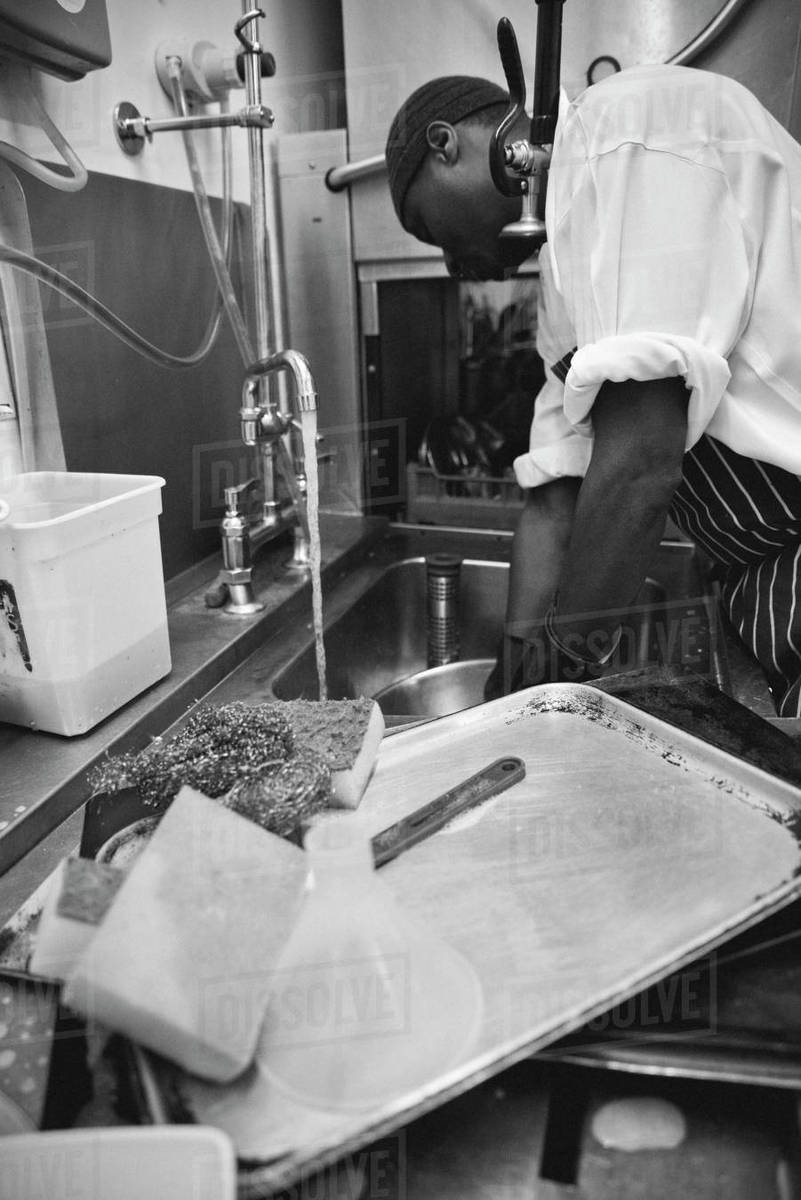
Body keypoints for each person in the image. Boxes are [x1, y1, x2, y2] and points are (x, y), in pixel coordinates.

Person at [384, 67, 801, 715]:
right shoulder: (562, 271)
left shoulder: (629, 135)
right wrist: (512, 686)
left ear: (445, 145)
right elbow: (554, 503)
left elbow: (639, 465)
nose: (448, 262)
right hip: (763, 586)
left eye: (428, 228)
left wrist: (556, 668)